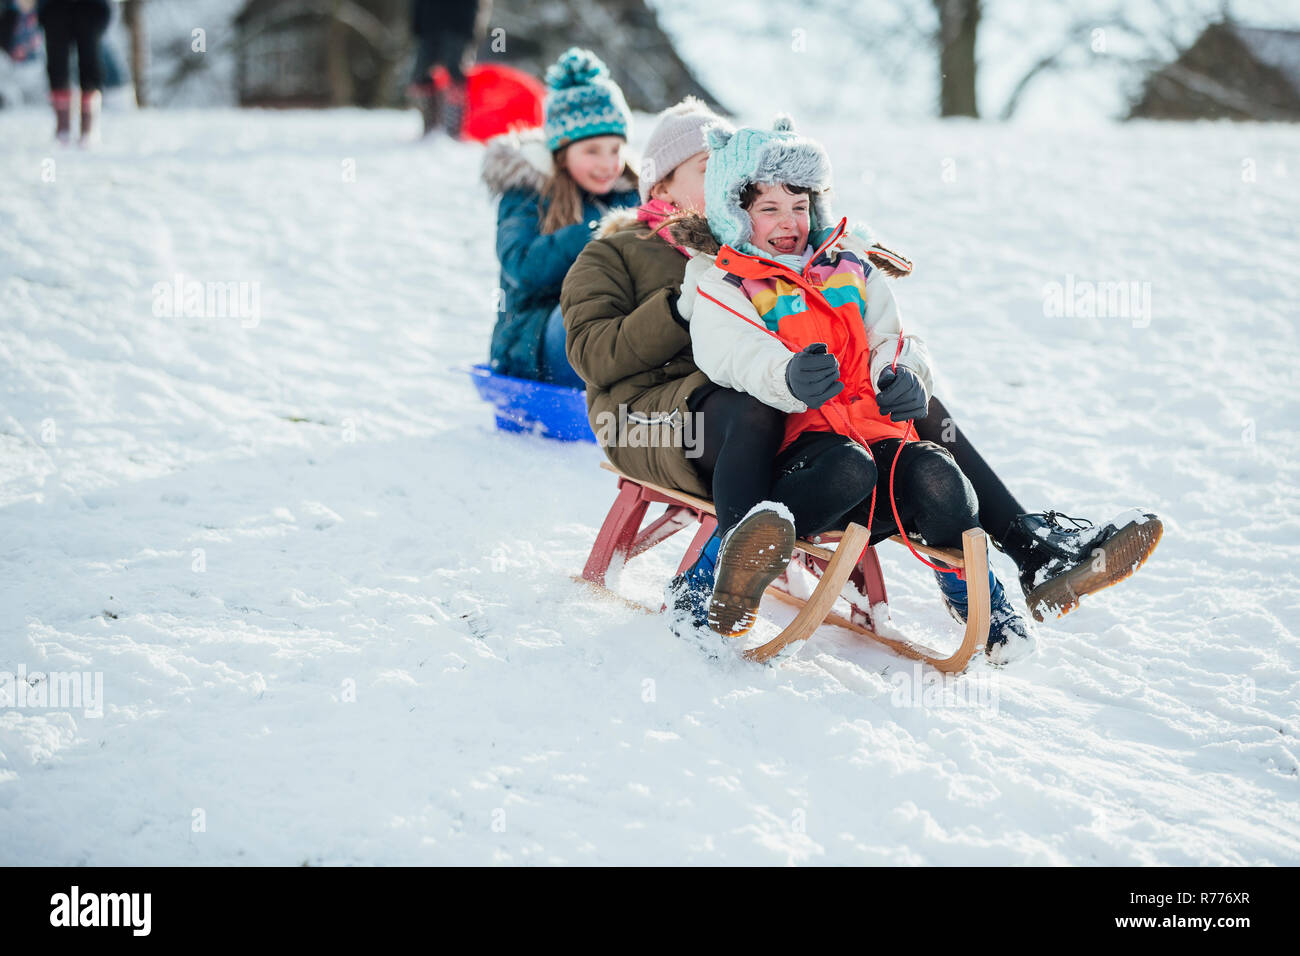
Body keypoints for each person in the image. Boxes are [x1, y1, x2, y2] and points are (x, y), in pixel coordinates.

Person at [560, 101, 1161, 653]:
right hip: (652, 418)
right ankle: (719, 567)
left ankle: (1029, 551)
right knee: (755, 399)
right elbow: (589, 353)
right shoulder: (620, 252)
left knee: (907, 398)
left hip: (777, 406)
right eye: (704, 164)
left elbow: (850, 291)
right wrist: (677, 305)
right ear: (660, 182)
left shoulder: (769, 234)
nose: (723, 174)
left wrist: (859, 273)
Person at [482, 47, 639, 387]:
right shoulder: (527, 193)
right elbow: (523, 269)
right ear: (562, 153)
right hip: (532, 339)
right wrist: (598, 232)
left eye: (615, 149)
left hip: (606, 331)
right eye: (592, 151)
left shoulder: (631, 195)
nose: (607, 164)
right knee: (586, 316)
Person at [407, 0, 487, 137]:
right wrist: (416, 25)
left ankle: (454, 130)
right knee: (421, 78)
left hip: (460, 23)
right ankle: (431, 127)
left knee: (456, 77)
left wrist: (474, 28)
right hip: (429, 23)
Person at [36, 0, 109, 145]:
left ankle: (88, 128)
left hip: (91, 6)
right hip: (54, 6)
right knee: (57, 64)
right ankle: (63, 128)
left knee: (90, 60)